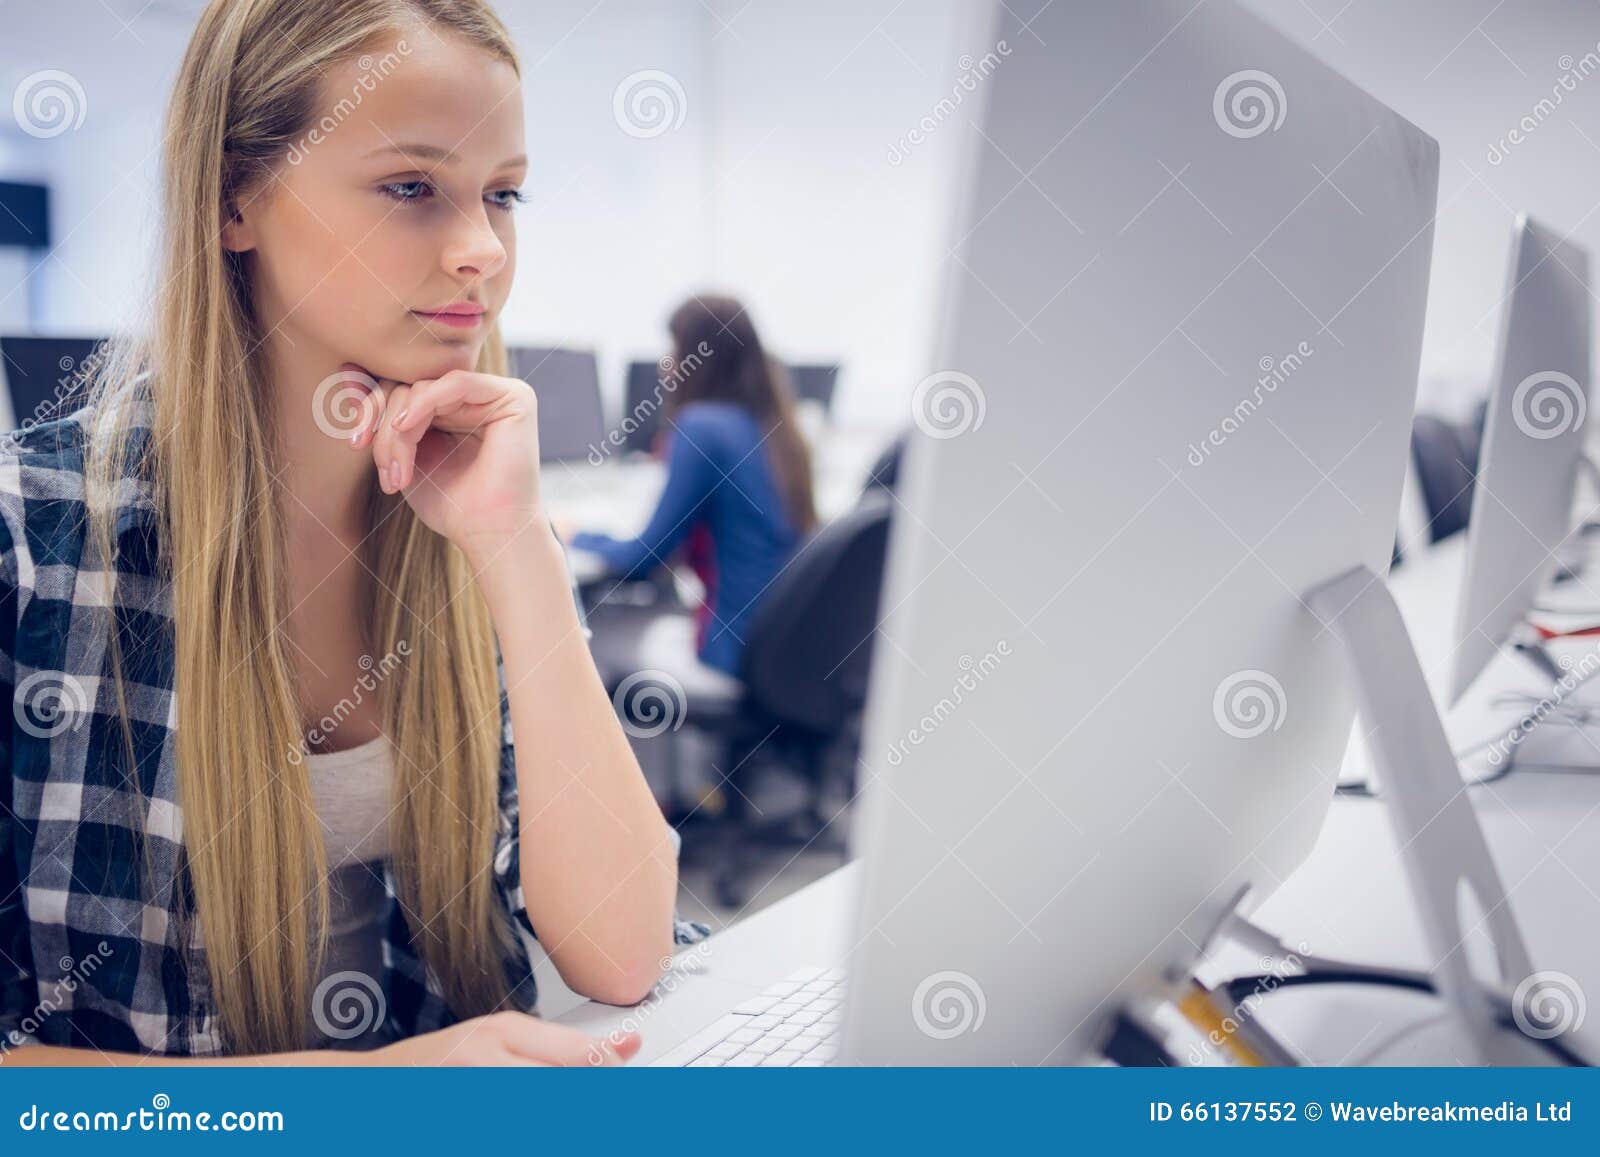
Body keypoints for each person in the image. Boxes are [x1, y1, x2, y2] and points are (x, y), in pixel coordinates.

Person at [0, 0, 704, 1066]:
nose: (480, 250)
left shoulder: (464, 522)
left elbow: (619, 954)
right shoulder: (33, 544)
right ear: (236, 197)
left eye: (502, 194)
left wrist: (519, 554)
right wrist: (358, 1092)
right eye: (411, 187)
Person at [567, 296, 817, 676]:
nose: (667, 366)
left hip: (734, 651)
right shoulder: (777, 429)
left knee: (594, 644)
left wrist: (577, 535)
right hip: (785, 648)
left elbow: (642, 559)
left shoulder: (702, 427)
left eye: (674, 348)